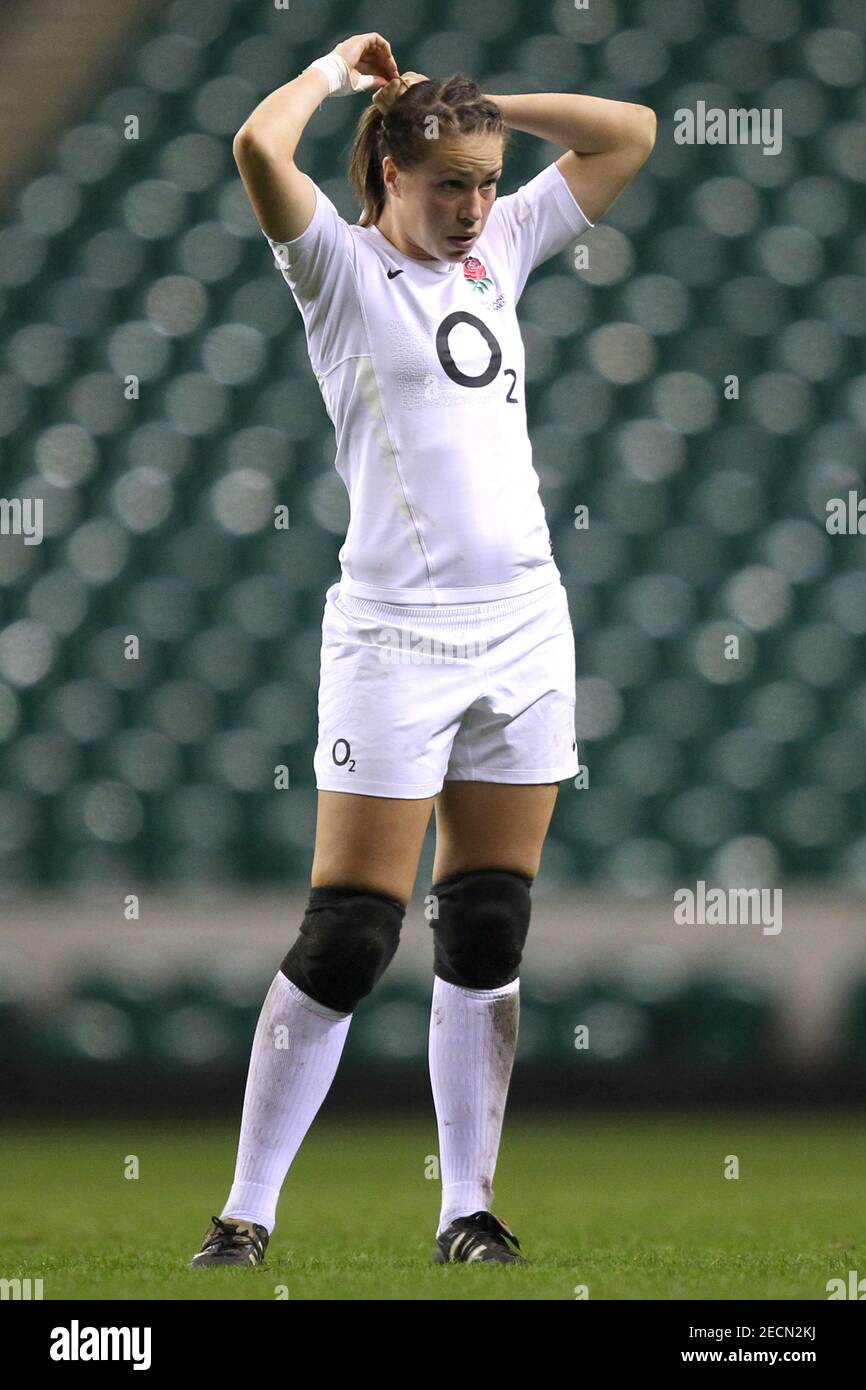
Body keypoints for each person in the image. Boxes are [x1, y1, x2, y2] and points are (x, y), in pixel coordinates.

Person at [190, 32, 655, 1269]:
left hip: (522, 623)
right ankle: (246, 1212)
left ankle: (467, 1209)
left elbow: (629, 131)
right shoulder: (334, 268)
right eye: (448, 182)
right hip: (395, 637)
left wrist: (492, 107)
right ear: (389, 172)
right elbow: (254, 145)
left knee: (488, 920)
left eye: (489, 180)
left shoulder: (499, 248)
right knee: (348, 931)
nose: (473, 207)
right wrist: (338, 74)